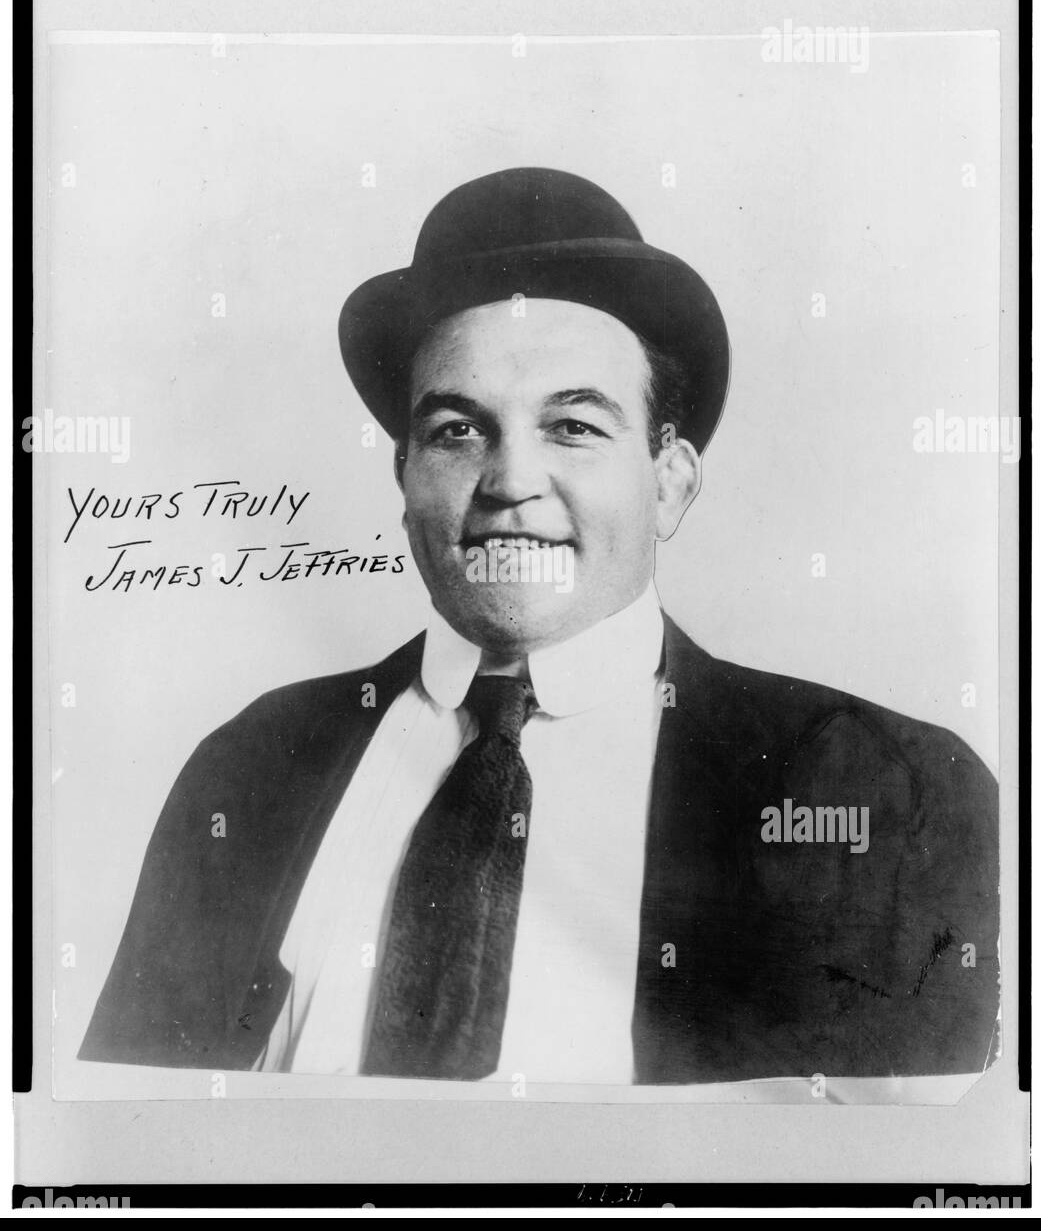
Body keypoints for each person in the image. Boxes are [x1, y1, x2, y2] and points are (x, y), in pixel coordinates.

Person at [79, 168, 999, 1084]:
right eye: (455, 431)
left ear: (670, 480)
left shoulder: (887, 790)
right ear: (402, 474)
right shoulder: (250, 767)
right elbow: (139, 1130)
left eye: (572, 427)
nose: (510, 481)